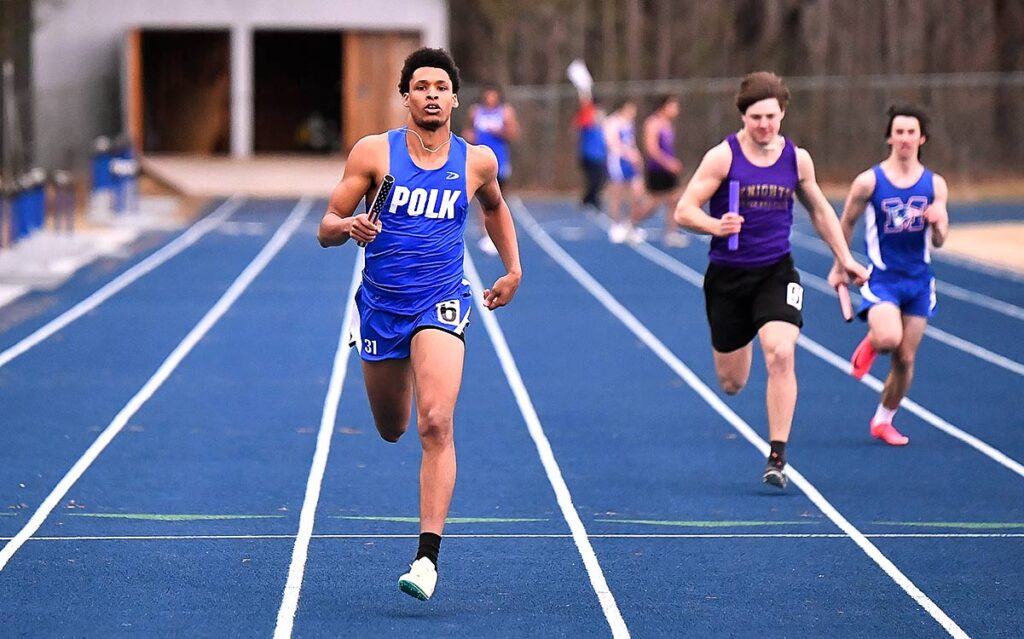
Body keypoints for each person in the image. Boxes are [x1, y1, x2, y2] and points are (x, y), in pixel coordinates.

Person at [317, 47, 522, 600]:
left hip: (442, 300)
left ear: (455, 98)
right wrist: (350, 225)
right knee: (393, 427)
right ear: (405, 95)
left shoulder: (476, 161)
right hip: (382, 308)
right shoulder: (373, 153)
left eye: (441, 86)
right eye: (421, 86)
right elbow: (325, 226)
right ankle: (402, 370)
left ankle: (427, 558)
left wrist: (512, 268)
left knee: (436, 420)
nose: (431, 94)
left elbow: (496, 207)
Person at [673, 71, 868, 488]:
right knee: (732, 382)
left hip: (776, 271)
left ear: (782, 115)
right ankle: (738, 355)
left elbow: (819, 211)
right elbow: (683, 210)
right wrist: (714, 225)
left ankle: (777, 456)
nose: (765, 125)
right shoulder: (722, 157)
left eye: (772, 117)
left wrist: (845, 258)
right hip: (727, 277)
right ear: (743, 117)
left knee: (780, 352)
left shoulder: (797, 159)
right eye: (757, 117)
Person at [829, 104, 949, 446]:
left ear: (921, 138)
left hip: (919, 282)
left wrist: (938, 219)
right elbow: (847, 220)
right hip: (882, 278)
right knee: (887, 339)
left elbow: (940, 241)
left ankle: (883, 419)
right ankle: (872, 342)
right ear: (890, 137)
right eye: (899, 132)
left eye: (912, 132)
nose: (905, 138)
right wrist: (841, 262)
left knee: (905, 358)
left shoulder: (935, 185)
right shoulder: (869, 181)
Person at [465, 86, 519, 255]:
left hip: (499, 160)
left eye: (493, 96)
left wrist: (500, 131)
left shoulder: (505, 112)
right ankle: (485, 234)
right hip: (479, 161)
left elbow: (513, 133)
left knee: (499, 198)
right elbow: (468, 131)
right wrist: (469, 136)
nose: (490, 99)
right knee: (481, 199)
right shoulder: (475, 111)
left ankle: (500, 232)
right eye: (487, 95)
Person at [631, 95, 688, 247]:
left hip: (668, 170)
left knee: (674, 200)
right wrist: (668, 163)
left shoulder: (668, 124)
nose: (676, 110)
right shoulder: (653, 123)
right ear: (664, 106)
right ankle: (631, 224)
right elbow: (651, 149)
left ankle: (671, 233)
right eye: (673, 106)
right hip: (657, 169)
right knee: (653, 204)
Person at [603, 100, 644, 243]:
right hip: (618, 161)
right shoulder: (613, 122)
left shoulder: (630, 123)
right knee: (617, 193)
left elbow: (631, 142)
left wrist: (637, 155)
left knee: (636, 193)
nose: (634, 113)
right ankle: (615, 225)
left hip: (631, 161)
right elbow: (612, 143)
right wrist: (628, 154)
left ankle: (630, 225)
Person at [574, 94, 607, 212]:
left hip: (600, 155)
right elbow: (581, 119)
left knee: (601, 179)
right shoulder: (587, 119)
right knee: (594, 179)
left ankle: (592, 199)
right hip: (589, 155)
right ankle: (589, 200)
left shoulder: (601, 126)